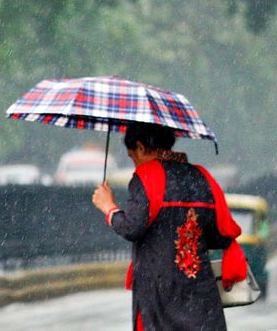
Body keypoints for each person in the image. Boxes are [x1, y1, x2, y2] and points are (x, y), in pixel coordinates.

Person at [91, 123, 247, 331]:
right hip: (199, 293)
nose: (135, 163)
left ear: (140, 147)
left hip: (160, 295)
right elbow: (218, 235)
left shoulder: (146, 176)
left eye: (133, 156)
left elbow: (132, 227)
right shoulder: (201, 177)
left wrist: (109, 207)